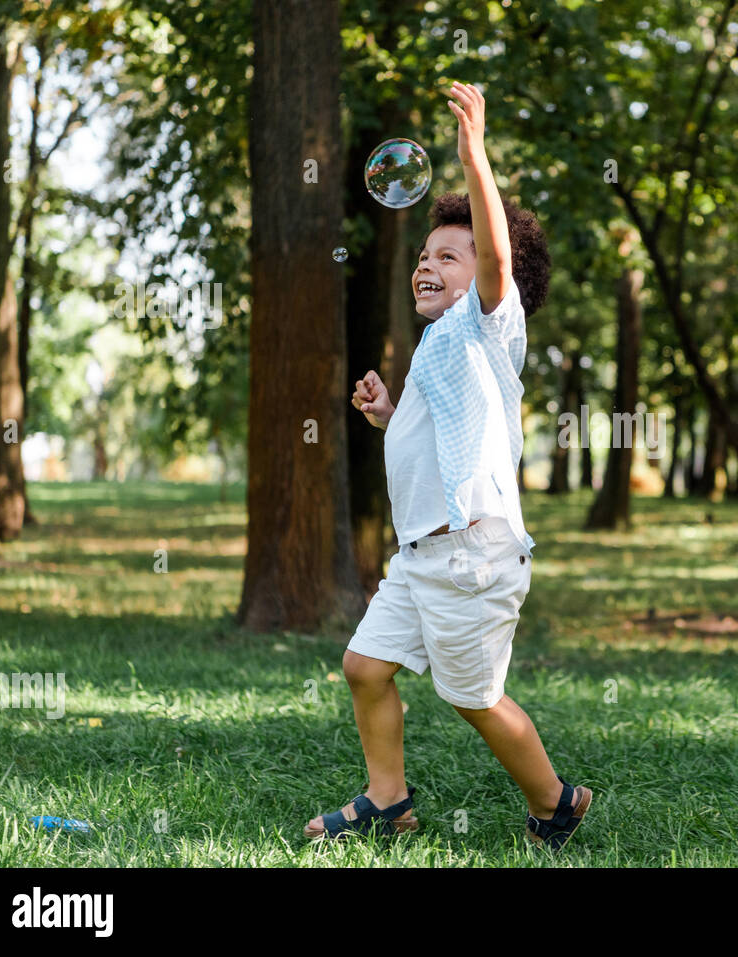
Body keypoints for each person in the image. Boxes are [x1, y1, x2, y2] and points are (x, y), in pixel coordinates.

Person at [304, 81, 592, 851]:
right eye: (424, 254)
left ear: (494, 280)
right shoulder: (438, 349)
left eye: (449, 255)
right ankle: (387, 797)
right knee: (365, 664)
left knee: (474, 698)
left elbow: (496, 251)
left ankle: (555, 799)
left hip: (473, 557)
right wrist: (388, 416)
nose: (428, 264)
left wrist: (474, 152)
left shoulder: (490, 326)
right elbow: (443, 442)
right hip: (422, 556)